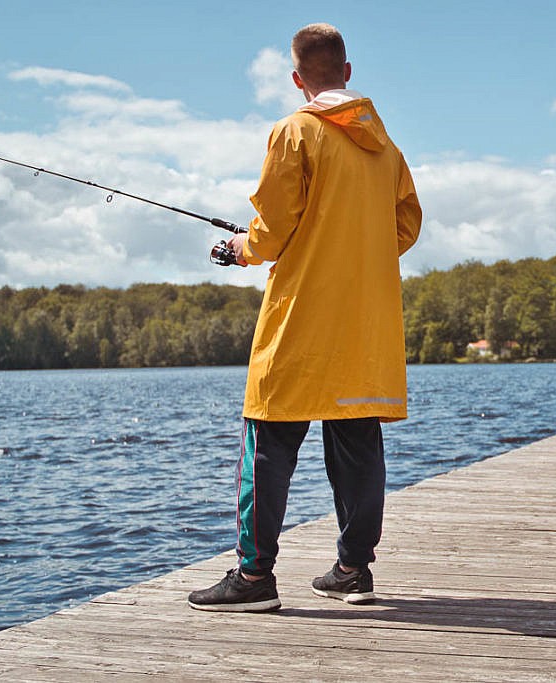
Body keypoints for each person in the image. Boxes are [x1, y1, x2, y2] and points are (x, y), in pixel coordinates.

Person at [188, 23, 421, 613]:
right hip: (365, 326)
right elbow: (406, 226)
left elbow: (269, 233)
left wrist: (238, 249)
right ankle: (353, 570)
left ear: (297, 79)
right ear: (348, 71)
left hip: (300, 321)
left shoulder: (294, 132)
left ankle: (253, 577)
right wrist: (354, 252)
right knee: (359, 447)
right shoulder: (387, 148)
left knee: (267, 443)